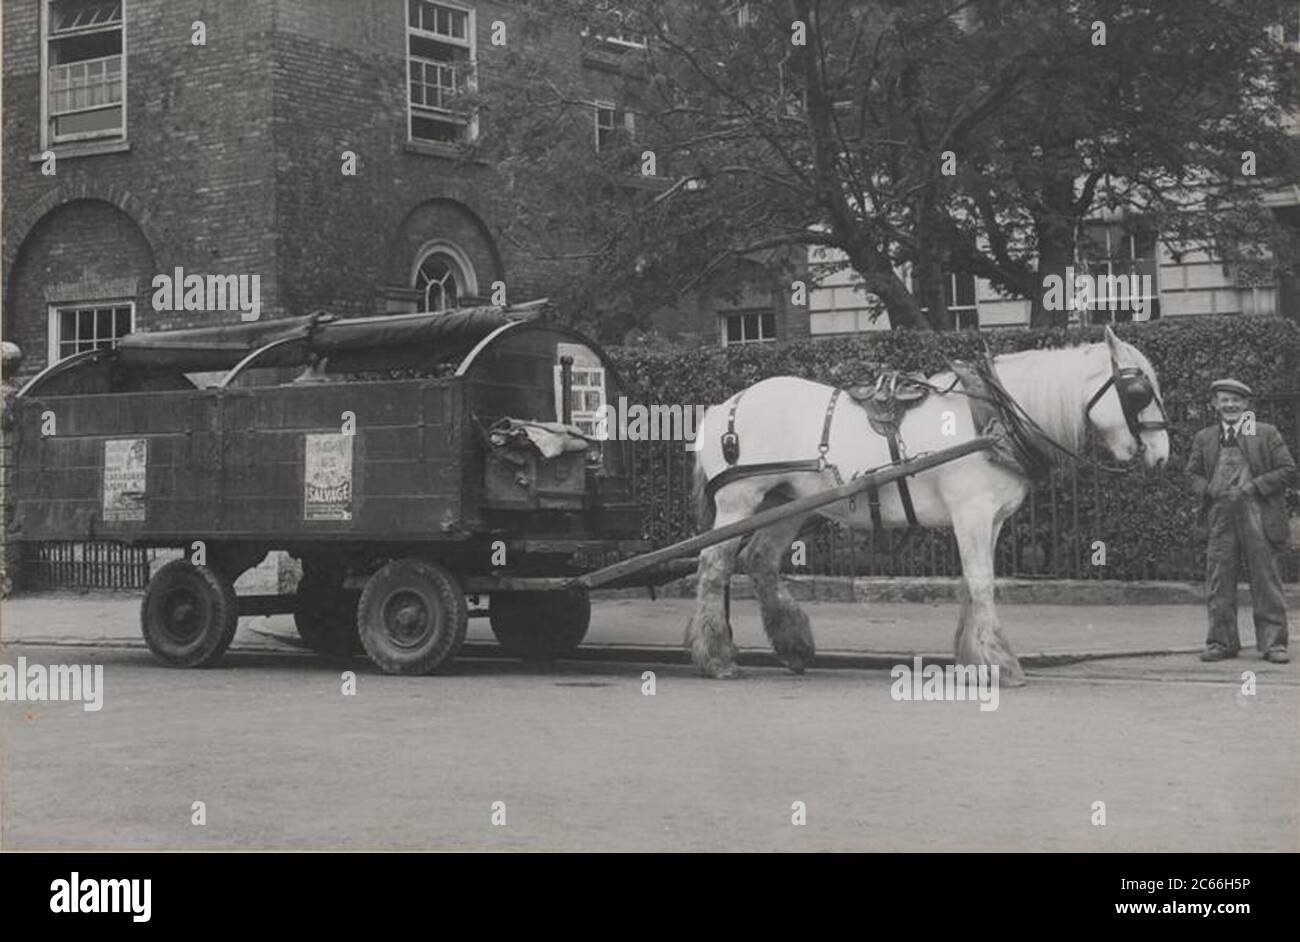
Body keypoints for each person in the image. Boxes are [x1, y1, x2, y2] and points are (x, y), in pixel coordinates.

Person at [1185, 378, 1296, 663]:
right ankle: (1221, 643)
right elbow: (1192, 474)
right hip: (1220, 517)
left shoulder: (1266, 433)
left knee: (1266, 580)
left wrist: (1253, 487)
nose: (1230, 405)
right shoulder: (1205, 438)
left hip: (1258, 515)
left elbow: (1288, 470)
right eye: (1224, 400)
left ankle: (1274, 645)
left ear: (1246, 405)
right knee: (1219, 582)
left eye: (1236, 400)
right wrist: (1209, 489)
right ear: (1215, 405)